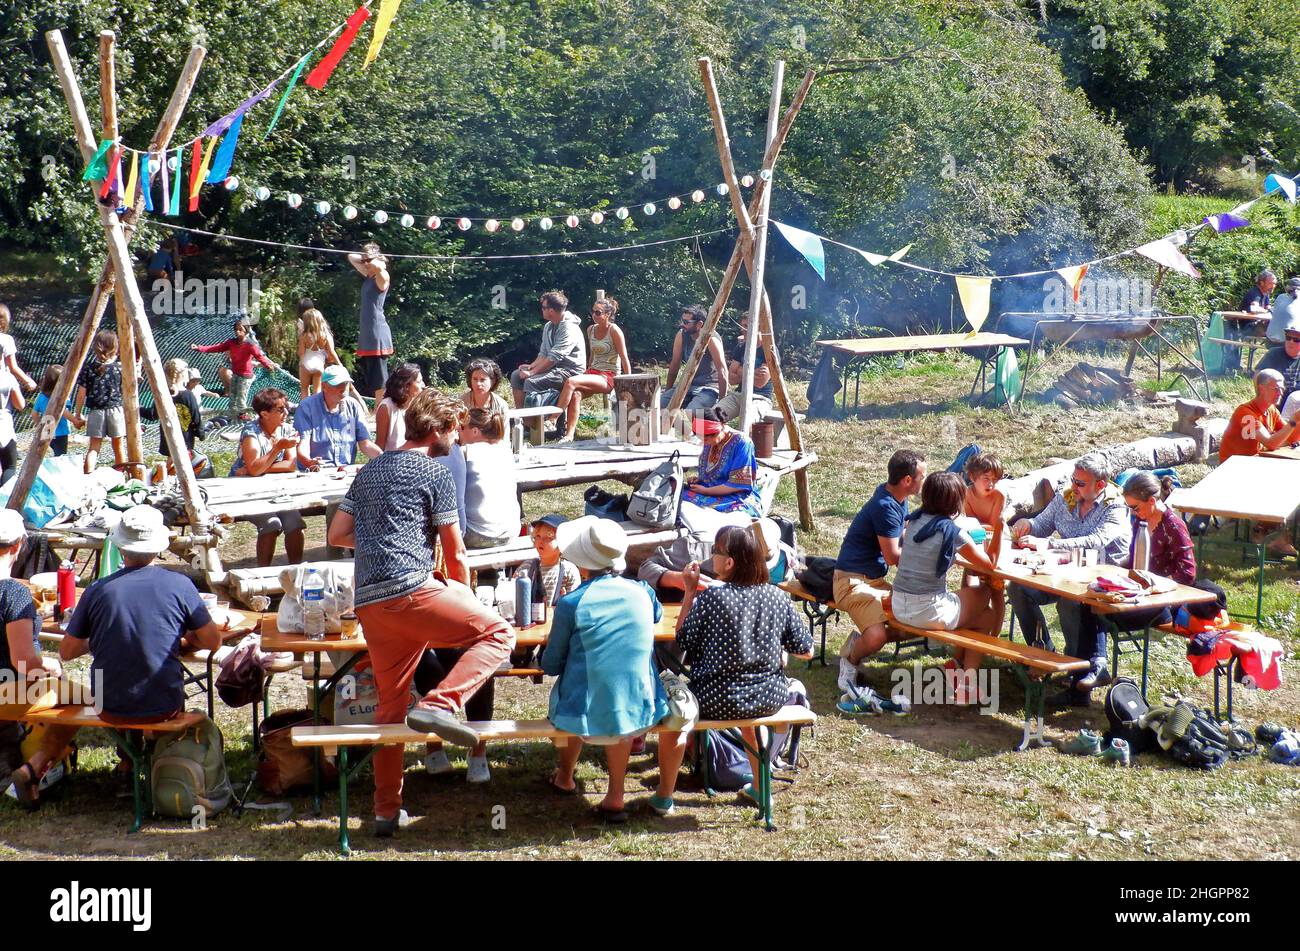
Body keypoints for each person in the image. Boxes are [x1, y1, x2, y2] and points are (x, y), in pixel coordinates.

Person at [327, 388, 515, 837]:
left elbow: (338, 533)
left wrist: (378, 541)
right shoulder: (434, 472)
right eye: (452, 428)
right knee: (498, 634)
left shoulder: (369, 470)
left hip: (370, 602)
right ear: (435, 430)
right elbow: (456, 552)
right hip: (413, 591)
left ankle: (385, 811)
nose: (457, 436)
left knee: (390, 710)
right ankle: (441, 704)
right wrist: (467, 597)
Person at [652, 524, 812, 815]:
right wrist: (773, 646)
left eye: (715, 551)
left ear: (729, 562)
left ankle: (664, 796)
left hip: (716, 698)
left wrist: (689, 592)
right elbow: (807, 650)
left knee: (674, 713)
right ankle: (761, 790)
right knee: (752, 719)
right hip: (767, 697)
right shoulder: (778, 597)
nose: (711, 556)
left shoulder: (712, 598)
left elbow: (684, 639)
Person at [541, 516, 670, 822]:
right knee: (612, 691)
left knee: (577, 686)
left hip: (583, 711)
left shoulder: (572, 603)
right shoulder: (643, 591)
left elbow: (551, 665)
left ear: (582, 563)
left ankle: (565, 775)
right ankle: (615, 795)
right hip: (641, 707)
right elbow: (657, 615)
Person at [61, 505, 222, 724]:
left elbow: (67, 651)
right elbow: (213, 641)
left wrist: (104, 636)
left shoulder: (97, 590)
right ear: (158, 547)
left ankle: (129, 755)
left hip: (106, 705)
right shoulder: (180, 585)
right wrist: (186, 638)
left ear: (121, 547)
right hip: (164, 705)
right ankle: (149, 752)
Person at [1059, 472, 1196, 705]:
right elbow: (1133, 561)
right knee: (1089, 601)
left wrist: (1154, 585)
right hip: (1136, 594)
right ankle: (1085, 680)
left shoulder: (1173, 525)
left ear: (1152, 502)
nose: (1132, 512)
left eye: (1135, 507)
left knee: (1098, 610)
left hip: (1162, 603)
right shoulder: (1140, 521)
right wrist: (1108, 573)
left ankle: (1090, 674)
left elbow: (1188, 572)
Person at [1008, 452, 1132, 659]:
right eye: (1073, 480)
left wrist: (1049, 544)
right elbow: (1043, 523)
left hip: (1101, 575)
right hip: (1067, 568)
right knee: (1018, 588)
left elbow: (1096, 541)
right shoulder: (1067, 496)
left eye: (1080, 483)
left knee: (1070, 601)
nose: (1074, 486)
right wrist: (1027, 525)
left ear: (1100, 485)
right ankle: (1042, 651)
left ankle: (1076, 664)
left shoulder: (1115, 506)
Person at [889, 472, 999, 703]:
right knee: (986, 603)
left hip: (899, 604)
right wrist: (998, 527)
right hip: (928, 611)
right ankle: (966, 682)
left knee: (981, 613)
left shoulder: (914, 520)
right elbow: (989, 564)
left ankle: (956, 668)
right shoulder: (951, 531)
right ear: (956, 500)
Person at [0, 510, 78, 809]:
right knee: (82, 699)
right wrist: (51, 664)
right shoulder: (13, 595)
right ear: (18, 546)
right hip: (8, 689)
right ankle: (34, 768)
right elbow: (23, 662)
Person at [835, 449, 927, 691]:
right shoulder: (885, 506)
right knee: (878, 636)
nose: (924, 482)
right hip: (851, 583)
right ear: (907, 481)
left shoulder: (896, 496)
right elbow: (893, 556)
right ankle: (850, 661)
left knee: (914, 623)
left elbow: (902, 531)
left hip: (873, 580)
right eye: (922, 477)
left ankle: (858, 642)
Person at [231, 387, 305, 567]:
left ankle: (296, 570)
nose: (286, 412)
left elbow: (290, 465)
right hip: (245, 492)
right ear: (264, 413)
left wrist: (257, 468)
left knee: (294, 522)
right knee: (271, 524)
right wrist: (277, 449)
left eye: (286, 407)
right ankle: (262, 573)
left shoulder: (286, 429)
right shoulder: (251, 432)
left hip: (275, 491)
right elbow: (256, 468)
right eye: (280, 409)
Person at [554, 296, 631, 441]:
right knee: (575, 394)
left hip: (609, 375)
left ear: (608, 314)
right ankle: (569, 435)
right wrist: (587, 371)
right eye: (593, 311)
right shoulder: (590, 329)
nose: (594, 315)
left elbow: (624, 357)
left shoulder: (614, 331)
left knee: (571, 382)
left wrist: (628, 382)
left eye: (598, 312)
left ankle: (553, 418)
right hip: (593, 372)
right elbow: (592, 354)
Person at [509, 291, 586, 413]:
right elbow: (544, 353)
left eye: (544, 307)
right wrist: (531, 366)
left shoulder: (569, 327)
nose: (542, 310)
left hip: (569, 371)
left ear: (551, 311)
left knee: (531, 382)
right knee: (516, 376)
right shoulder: (548, 326)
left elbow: (555, 356)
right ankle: (521, 418)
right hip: (554, 368)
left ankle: (534, 425)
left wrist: (532, 373)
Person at [294, 364, 381, 470]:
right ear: (324, 387)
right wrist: (309, 462)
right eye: (337, 384)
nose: (343, 389)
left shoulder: (354, 406)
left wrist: (383, 458)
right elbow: (303, 443)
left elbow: (365, 444)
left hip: (345, 470)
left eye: (345, 384)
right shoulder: (306, 407)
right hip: (315, 472)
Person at [190, 318, 277, 418]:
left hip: (245, 376)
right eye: (236, 329)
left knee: (240, 399)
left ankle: (243, 418)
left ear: (246, 330)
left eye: (240, 329)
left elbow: (259, 356)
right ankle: (232, 416)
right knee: (232, 397)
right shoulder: (231, 342)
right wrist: (199, 348)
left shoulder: (250, 345)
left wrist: (268, 365)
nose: (237, 331)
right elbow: (217, 347)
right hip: (236, 374)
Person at [680, 408, 760, 517]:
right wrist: (699, 479)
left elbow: (738, 485)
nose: (704, 442)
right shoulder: (709, 441)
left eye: (706, 439)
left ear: (719, 430)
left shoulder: (742, 443)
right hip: (708, 489)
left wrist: (706, 491)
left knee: (735, 513)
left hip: (735, 496)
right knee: (674, 494)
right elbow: (712, 470)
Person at [460, 407, 521, 549]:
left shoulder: (466, 451)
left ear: (475, 431)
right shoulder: (505, 449)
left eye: (462, 428)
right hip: (511, 531)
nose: (458, 432)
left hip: (479, 534)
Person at [962, 451, 1008, 635]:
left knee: (996, 590)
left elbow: (993, 525)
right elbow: (966, 522)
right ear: (972, 476)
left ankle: (994, 636)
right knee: (967, 584)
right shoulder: (966, 494)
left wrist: (974, 525)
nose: (990, 483)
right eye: (986, 478)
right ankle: (966, 628)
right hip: (974, 546)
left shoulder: (998, 496)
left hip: (994, 548)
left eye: (994, 479)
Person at [139, 358, 208, 479]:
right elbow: (196, 417)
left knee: (171, 459)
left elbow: (153, 415)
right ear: (184, 375)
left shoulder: (163, 393)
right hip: (185, 436)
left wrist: (138, 409)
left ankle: (163, 478)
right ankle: (173, 480)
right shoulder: (188, 395)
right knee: (181, 461)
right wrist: (200, 433)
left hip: (167, 434)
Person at [73, 329, 127, 474]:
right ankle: (121, 475)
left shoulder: (89, 368)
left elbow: (81, 393)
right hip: (115, 410)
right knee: (118, 446)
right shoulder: (120, 367)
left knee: (94, 447)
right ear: (115, 347)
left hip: (95, 412)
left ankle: (88, 476)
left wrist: (77, 413)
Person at [1219, 368, 1300, 463]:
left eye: (1282, 389)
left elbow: (1290, 437)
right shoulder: (1245, 414)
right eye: (1276, 389)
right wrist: (1295, 418)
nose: (1280, 393)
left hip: (1253, 461)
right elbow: (1270, 443)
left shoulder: (1271, 409)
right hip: (1233, 466)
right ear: (1261, 389)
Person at [347, 243, 394, 404]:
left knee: (379, 376)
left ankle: (381, 407)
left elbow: (381, 271)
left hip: (377, 332)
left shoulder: (382, 275)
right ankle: (380, 406)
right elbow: (351, 257)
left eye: (369, 260)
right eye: (364, 260)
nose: (366, 263)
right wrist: (368, 258)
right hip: (368, 332)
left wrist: (378, 262)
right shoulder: (368, 274)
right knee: (372, 376)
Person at [659, 304, 728, 411]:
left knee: (690, 415)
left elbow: (722, 370)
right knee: (656, 407)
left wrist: (722, 403)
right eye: (682, 320)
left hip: (709, 388)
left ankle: (694, 427)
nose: (682, 324)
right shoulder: (681, 335)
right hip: (687, 385)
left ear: (699, 324)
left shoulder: (711, 339)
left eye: (686, 322)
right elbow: (675, 364)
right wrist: (668, 391)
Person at [713, 344, 774, 425]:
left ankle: (737, 437)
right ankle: (694, 437)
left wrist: (739, 370)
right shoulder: (741, 347)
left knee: (747, 423)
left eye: (746, 330)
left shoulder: (769, 349)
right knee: (707, 419)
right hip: (737, 396)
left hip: (760, 399)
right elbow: (731, 379)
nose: (742, 330)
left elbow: (760, 383)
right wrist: (754, 372)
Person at [530, 514, 582, 604]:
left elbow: (574, 603)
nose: (541, 541)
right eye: (538, 536)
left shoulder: (568, 571)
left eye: (548, 537)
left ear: (563, 543)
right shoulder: (528, 567)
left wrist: (565, 600)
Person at [1258, 311, 1300, 417]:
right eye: (1288, 337)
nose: (1291, 341)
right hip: (1274, 406)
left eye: (1296, 339)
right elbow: (1258, 376)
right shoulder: (1274, 354)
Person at [375, 362, 424, 452]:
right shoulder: (386, 407)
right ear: (406, 386)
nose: (423, 385)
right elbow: (379, 445)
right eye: (419, 382)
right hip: (391, 462)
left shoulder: (418, 405)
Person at [297, 308, 342, 397]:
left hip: (305, 364)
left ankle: (305, 409)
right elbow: (331, 351)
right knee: (317, 389)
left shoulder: (304, 336)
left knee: (304, 388)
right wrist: (339, 363)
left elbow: (301, 352)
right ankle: (316, 409)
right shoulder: (325, 334)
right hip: (319, 366)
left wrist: (301, 362)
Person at [30, 366, 74, 457]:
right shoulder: (63, 397)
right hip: (60, 430)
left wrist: (40, 425)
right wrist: (75, 421)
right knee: (60, 454)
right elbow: (64, 411)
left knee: (45, 452)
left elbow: (34, 414)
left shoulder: (41, 396)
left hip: (47, 427)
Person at [0, 303, 36, 393]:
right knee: (20, 405)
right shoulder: (6, 339)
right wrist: (28, 382)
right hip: (3, 385)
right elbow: (13, 367)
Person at [0, 360, 23, 487]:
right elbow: (20, 405)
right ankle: (4, 502)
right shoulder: (7, 377)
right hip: (3, 427)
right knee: (9, 467)